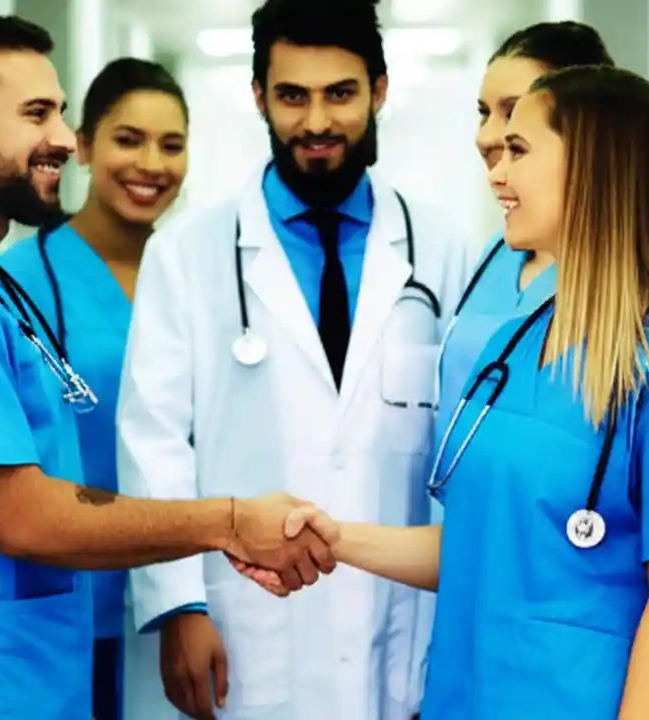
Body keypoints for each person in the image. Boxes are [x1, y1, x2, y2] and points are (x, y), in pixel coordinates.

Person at [0, 11, 333, 719]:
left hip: (19, 679)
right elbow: (24, 517)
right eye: (37, 113)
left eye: (62, 113)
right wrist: (228, 521)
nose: (65, 140)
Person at [238, 66, 649, 719]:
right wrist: (332, 537)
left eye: (519, 151)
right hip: (468, 696)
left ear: (593, 169)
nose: (496, 173)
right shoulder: (510, 348)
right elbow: (481, 543)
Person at [116, 0, 471, 717]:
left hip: (398, 625)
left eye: (339, 94)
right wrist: (178, 605)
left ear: (379, 90)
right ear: (258, 98)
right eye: (291, 96)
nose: (315, 123)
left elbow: (460, 449)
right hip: (247, 628)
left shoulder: (444, 247)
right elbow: (153, 442)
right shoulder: (187, 251)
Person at [0, 57, 189, 720]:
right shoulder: (21, 280)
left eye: (171, 144)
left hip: (188, 587)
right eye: (127, 139)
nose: (151, 164)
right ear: (83, 145)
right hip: (82, 592)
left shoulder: (203, 273)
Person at [446, 21, 649, 412]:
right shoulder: (496, 256)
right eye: (484, 113)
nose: (487, 136)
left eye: (515, 112)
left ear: (591, 133)